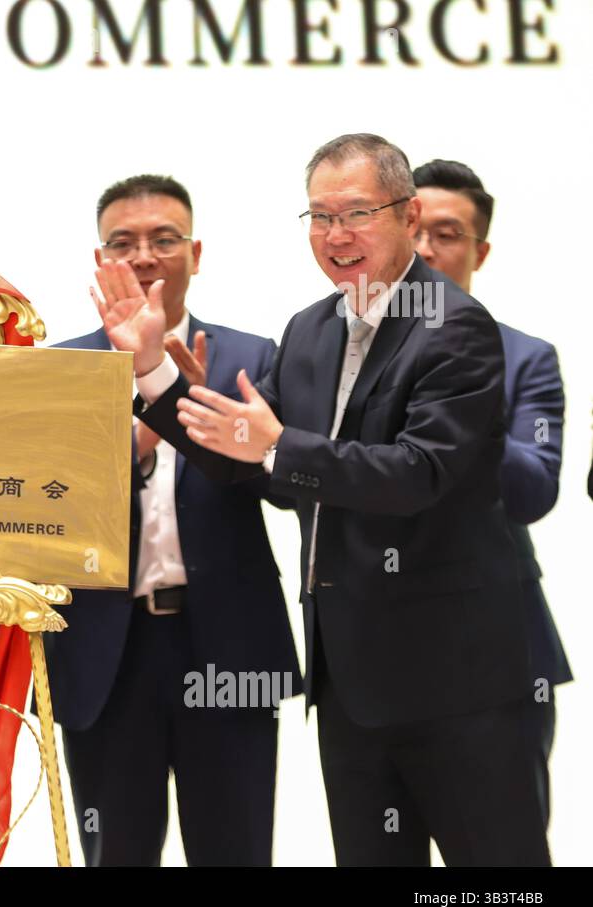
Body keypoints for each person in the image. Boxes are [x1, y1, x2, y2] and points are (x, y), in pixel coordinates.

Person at [97, 133, 549, 866]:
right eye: (318, 216)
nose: (336, 235)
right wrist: (151, 371)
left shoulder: (455, 324)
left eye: (357, 213)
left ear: (408, 217)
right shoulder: (309, 330)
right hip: (347, 683)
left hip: (454, 681)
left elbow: (419, 473)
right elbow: (251, 462)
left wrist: (275, 446)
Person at [52, 174, 299, 866]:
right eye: (123, 243)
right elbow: (46, 506)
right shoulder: (63, 367)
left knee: (237, 849)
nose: (144, 255)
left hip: (227, 646)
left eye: (164, 239)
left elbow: (287, 488)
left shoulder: (253, 358)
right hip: (108, 651)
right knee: (117, 853)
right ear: (102, 260)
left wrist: (216, 426)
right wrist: (136, 442)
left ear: (196, 251)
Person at [413, 158, 570, 826]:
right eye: (413, 229)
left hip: (503, 659)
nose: (425, 250)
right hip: (372, 662)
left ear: (480, 251)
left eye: (446, 234)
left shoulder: (526, 358)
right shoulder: (338, 353)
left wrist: (465, 403)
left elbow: (534, 489)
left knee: (504, 875)